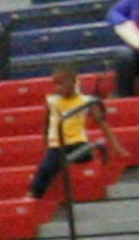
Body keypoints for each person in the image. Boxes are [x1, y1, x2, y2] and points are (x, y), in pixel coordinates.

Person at [28, 63, 126, 201]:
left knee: (88, 151)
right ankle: (32, 197)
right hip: (58, 144)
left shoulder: (86, 101)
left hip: (77, 142)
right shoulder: (52, 101)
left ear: (73, 82)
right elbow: (46, 126)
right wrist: (46, 146)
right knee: (45, 169)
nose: (57, 88)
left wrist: (116, 146)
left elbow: (103, 124)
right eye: (55, 84)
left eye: (61, 83)